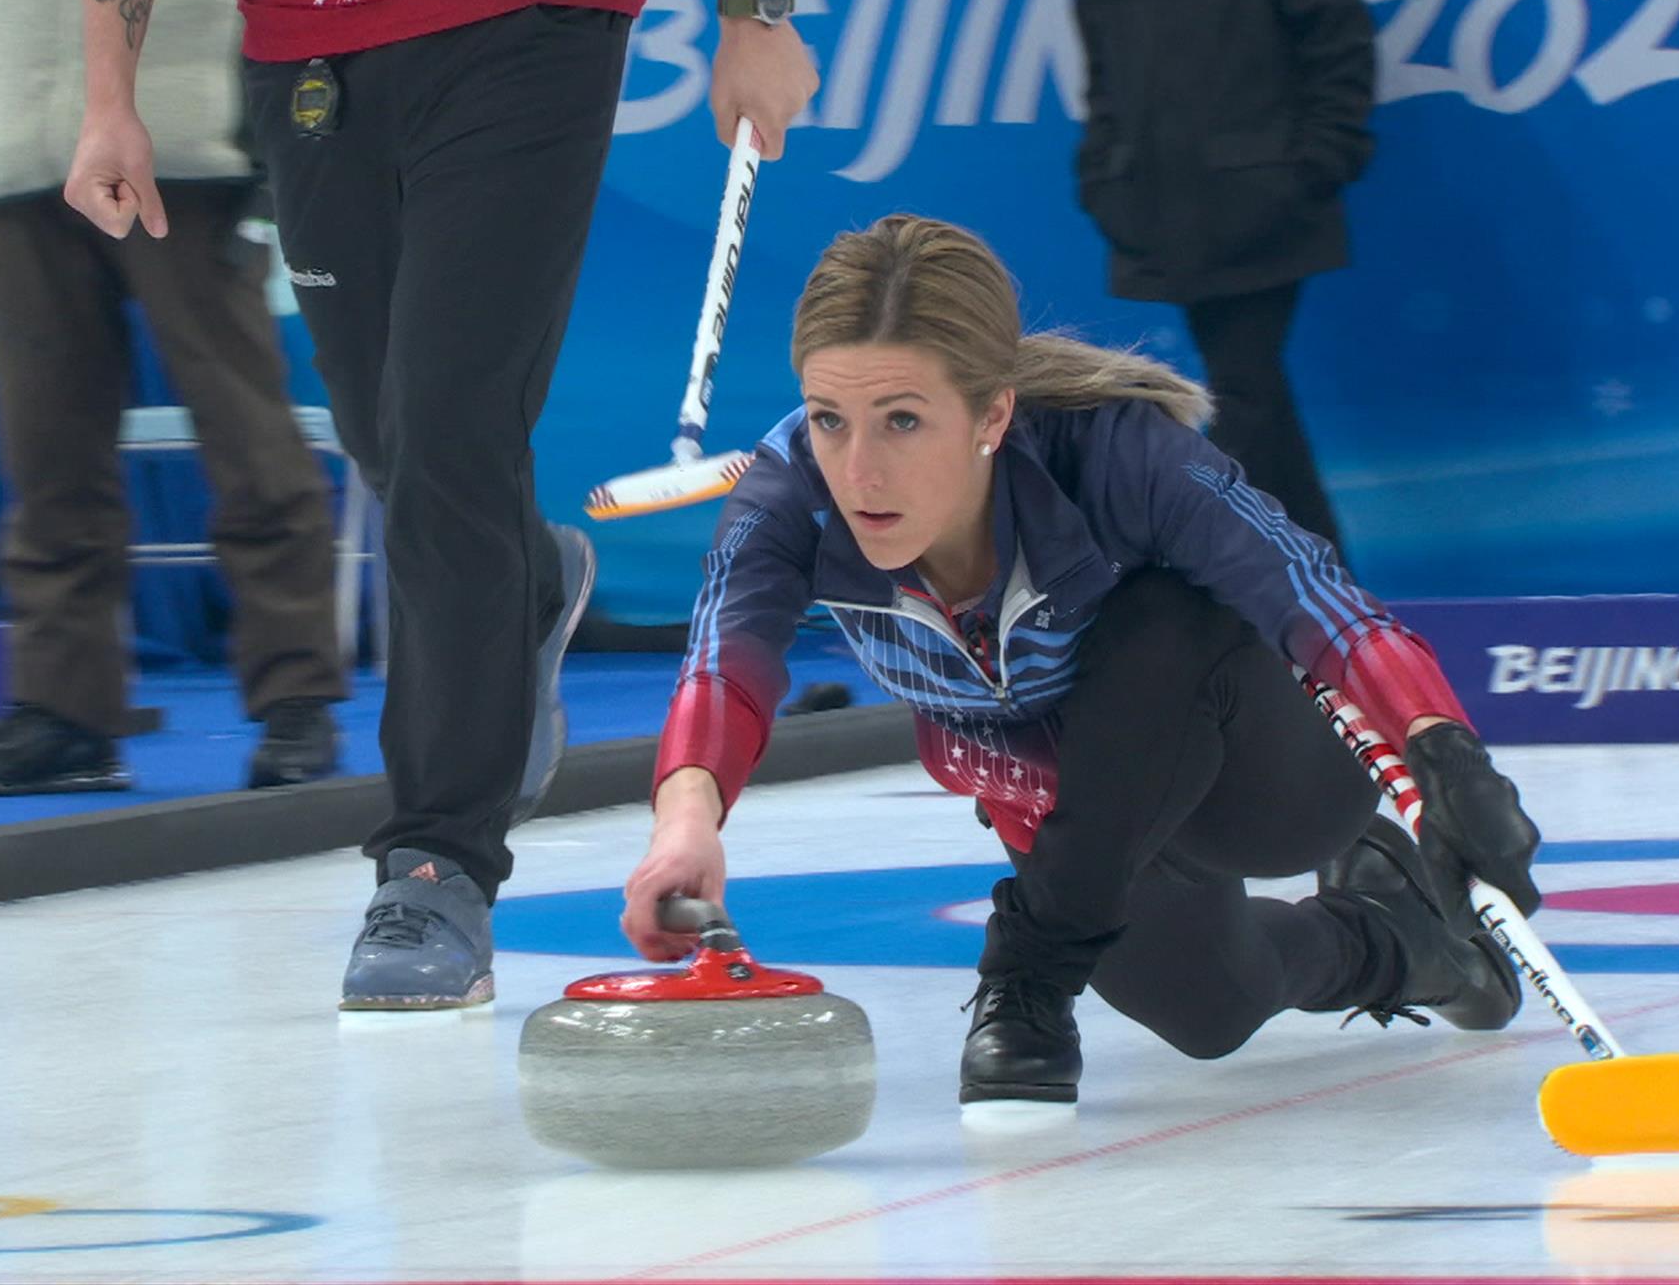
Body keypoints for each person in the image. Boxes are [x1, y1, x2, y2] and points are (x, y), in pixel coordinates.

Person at [67, 0, 819, 1008]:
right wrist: (106, 100)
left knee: (449, 436)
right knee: (396, 449)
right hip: (305, 50)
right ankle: (518, 581)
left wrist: (749, 11)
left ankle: (436, 866)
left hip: (529, 12)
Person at [621, 216, 1544, 1104]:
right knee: (1211, 1010)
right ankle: (1399, 936)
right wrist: (684, 823)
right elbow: (724, 663)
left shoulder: (1119, 455)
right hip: (1075, 810)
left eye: (901, 422)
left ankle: (1028, 970)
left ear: (992, 414)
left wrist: (1444, 751)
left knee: (1156, 622)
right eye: (830, 419)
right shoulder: (795, 496)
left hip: (1259, 773)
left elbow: (1312, 593)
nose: (857, 470)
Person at [0, 0, 347, 798]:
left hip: (185, 139)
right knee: (46, 457)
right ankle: (66, 717)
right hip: (20, 152)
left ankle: (297, 701)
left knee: (248, 435)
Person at [1072, 0, 1373, 561]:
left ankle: (1277, 589)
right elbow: (1104, 73)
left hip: (1266, 214)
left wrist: (1316, 164)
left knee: (1242, 394)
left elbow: (1340, 43)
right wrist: (1106, 177)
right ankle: (1317, 585)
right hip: (1165, 215)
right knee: (1247, 395)